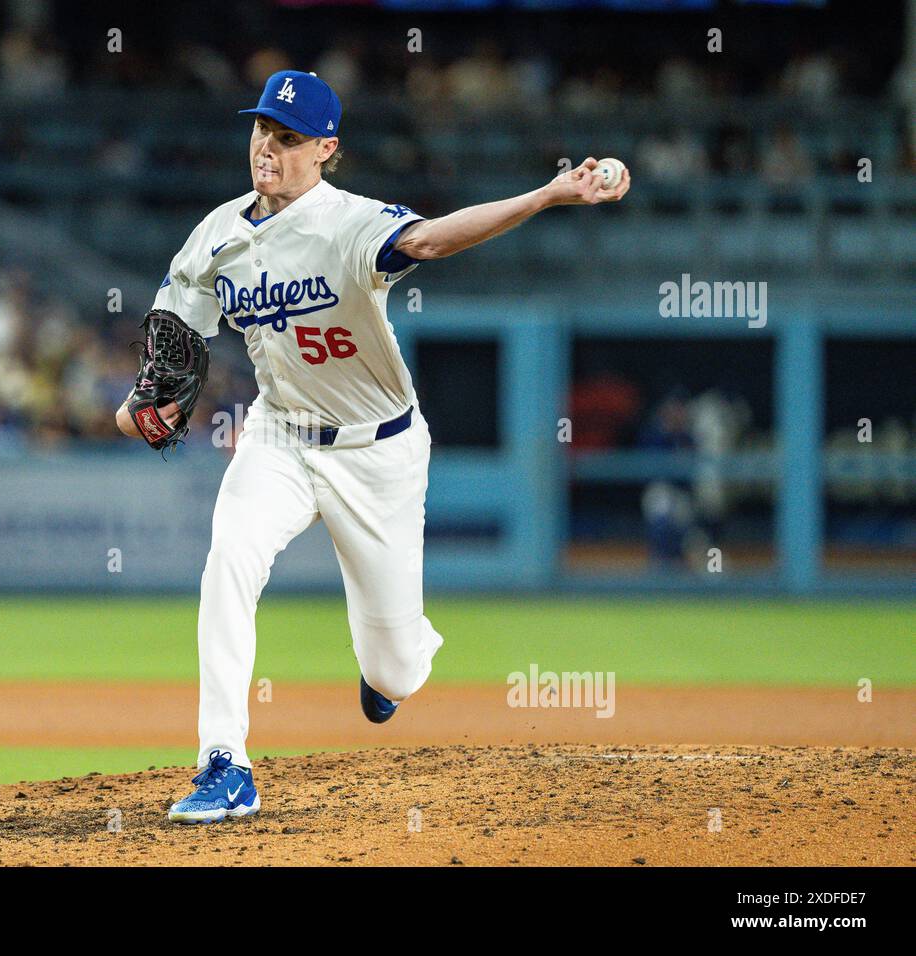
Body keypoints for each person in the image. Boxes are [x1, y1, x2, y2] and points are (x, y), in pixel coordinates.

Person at [114, 70, 630, 823]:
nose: (268, 146)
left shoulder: (350, 222)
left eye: (288, 137)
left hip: (377, 451)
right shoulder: (217, 233)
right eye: (261, 129)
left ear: (327, 149)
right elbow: (175, 334)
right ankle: (223, 762)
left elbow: (430, 239)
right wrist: (143, 401)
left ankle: (390, 670)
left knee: (395, 669)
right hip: (279, 437)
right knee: (228, 559)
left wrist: (546, 195)